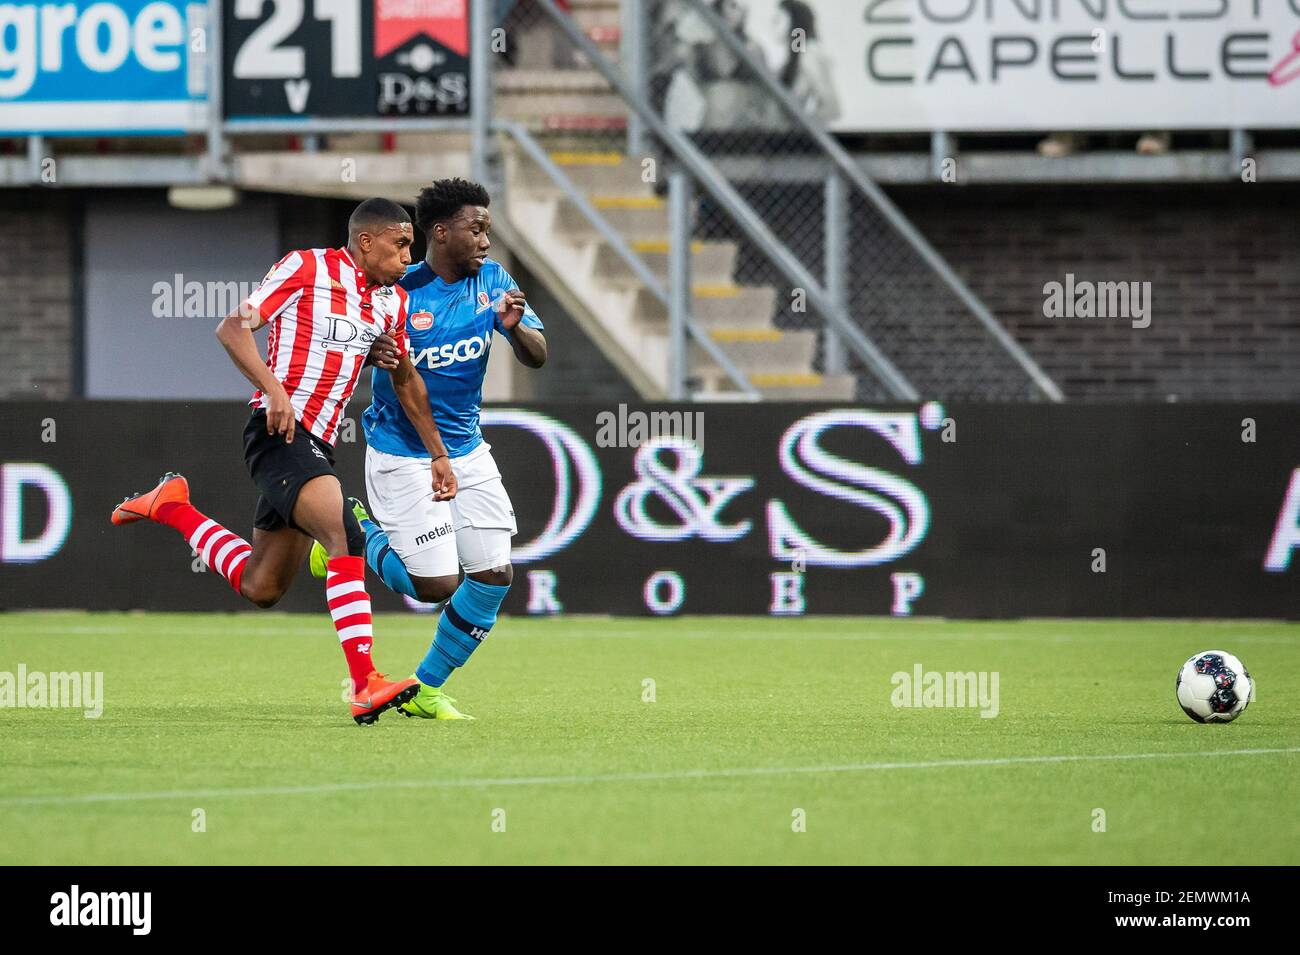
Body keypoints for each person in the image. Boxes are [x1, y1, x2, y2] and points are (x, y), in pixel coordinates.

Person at [111, 198, 458, 725]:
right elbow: (233, 327)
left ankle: (173, 507)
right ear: (366, 241)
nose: (409, 256)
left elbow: (405, 379)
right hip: (278, 433)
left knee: (262, 586)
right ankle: (365, 682)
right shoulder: (306, 267)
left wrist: (437, 451)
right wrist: (274, 390)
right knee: (346, 534)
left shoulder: (391, 304)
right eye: (400, 243)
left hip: (318, 445)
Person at [308, 178, 546, 721]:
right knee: (433, 584)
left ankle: (425, 688)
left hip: (467, 446)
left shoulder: (494, 281)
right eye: (476, 229)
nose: (486, 240)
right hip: (401, 451)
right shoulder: (398, 289)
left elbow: (538, 353)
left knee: (492, 577)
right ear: (441, 232)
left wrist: (516, 330)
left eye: (489, 229)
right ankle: (351, 534)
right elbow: (351, 347)